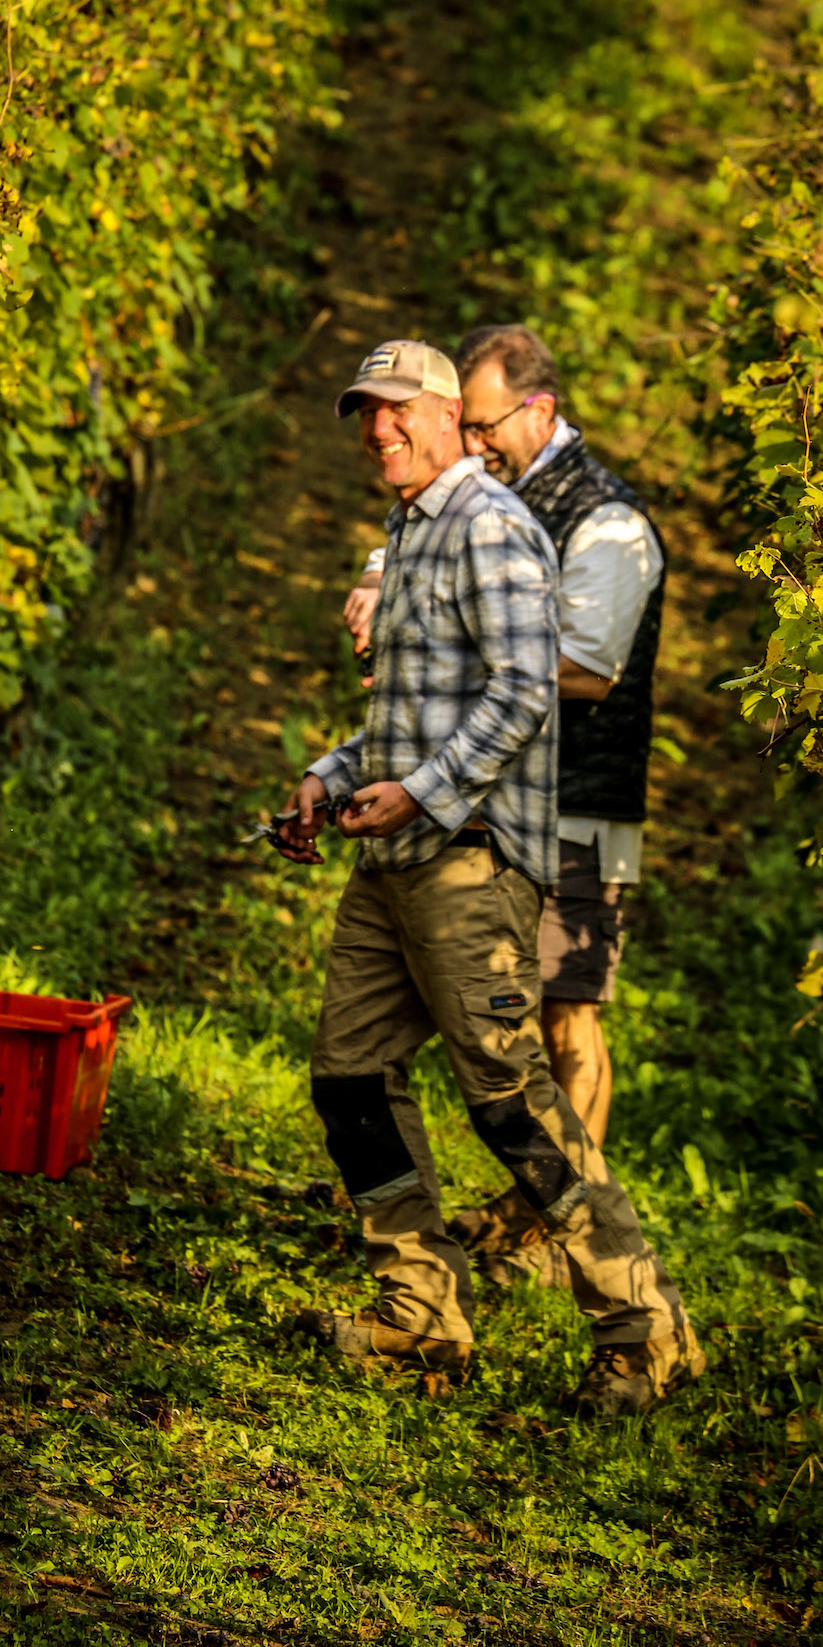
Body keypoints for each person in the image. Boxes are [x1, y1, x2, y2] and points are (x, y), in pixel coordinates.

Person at [280, 338, 703, 1416]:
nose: (376, 431)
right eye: (363, 415)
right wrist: (330, 780)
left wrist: (421, 792)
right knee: (349, 1078)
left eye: (393, 411)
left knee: (512, 1098)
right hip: (397, 855)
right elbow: (410, 715)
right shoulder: (412, 529)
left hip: (469, 859)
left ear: (441, 414)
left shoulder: (493, 525)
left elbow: (525, 694)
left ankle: (644, 1326)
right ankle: (417, 1306)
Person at [343, 324, 665, 1276]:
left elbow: (583, 671)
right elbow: (415, 555)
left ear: (541, 410)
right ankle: (529, 1237)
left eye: (486, 425)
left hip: (578, 800)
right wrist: (383, 590)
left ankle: (574, 1249)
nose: (477, 443)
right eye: (469, 426)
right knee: (494, 1051)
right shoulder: (485, 502)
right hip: (495, 790)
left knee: (559, 1022)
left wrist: (458, 661)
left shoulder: (607, 522)